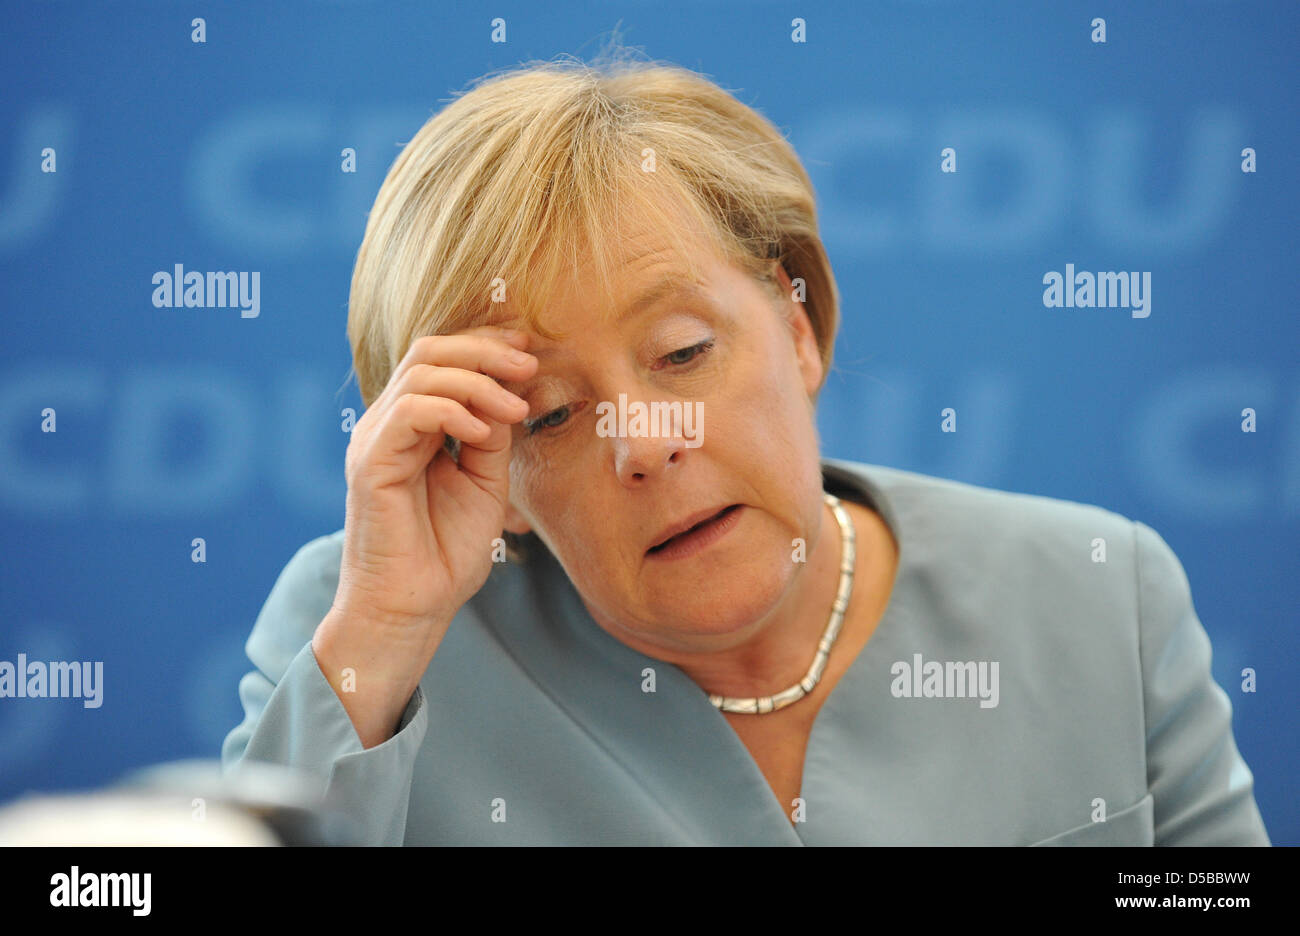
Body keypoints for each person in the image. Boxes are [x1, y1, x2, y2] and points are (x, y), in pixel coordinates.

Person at [221, 53, 1270, 846]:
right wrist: (387, 628)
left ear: (797, 325)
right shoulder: (365, 629)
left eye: (680, 353)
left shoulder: (1098, 596)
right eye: (545, 415)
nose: (646, 444)